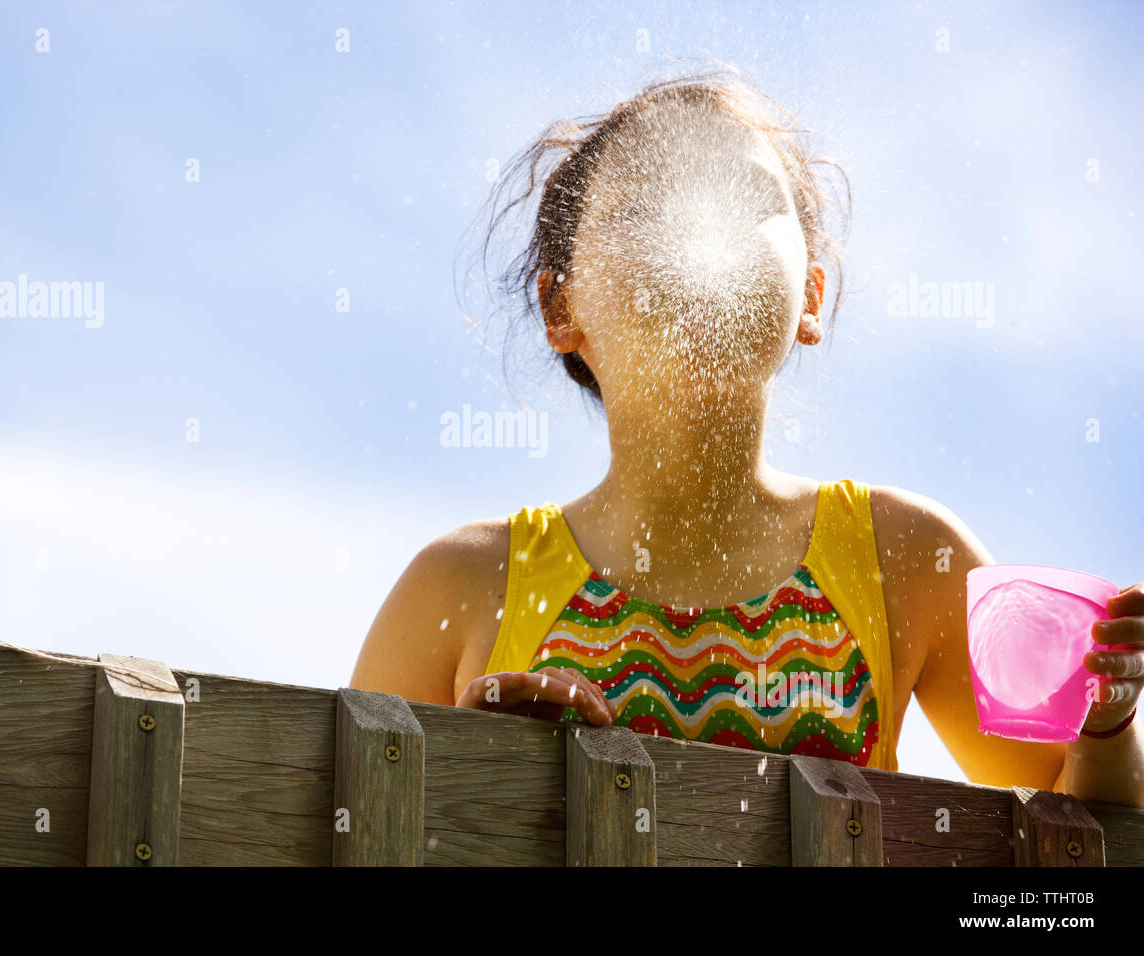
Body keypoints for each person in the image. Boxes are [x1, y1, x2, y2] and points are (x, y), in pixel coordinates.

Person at [350, 70, 1142, 808]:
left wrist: (1104, 727)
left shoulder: (907, 556)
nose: (699, 222)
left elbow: (1077, 854)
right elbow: (350, 826)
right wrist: (473, 780)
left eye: (745, 196)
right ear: (561, 310)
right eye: (638, 207)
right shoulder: (458, 584)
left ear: (812, 300)